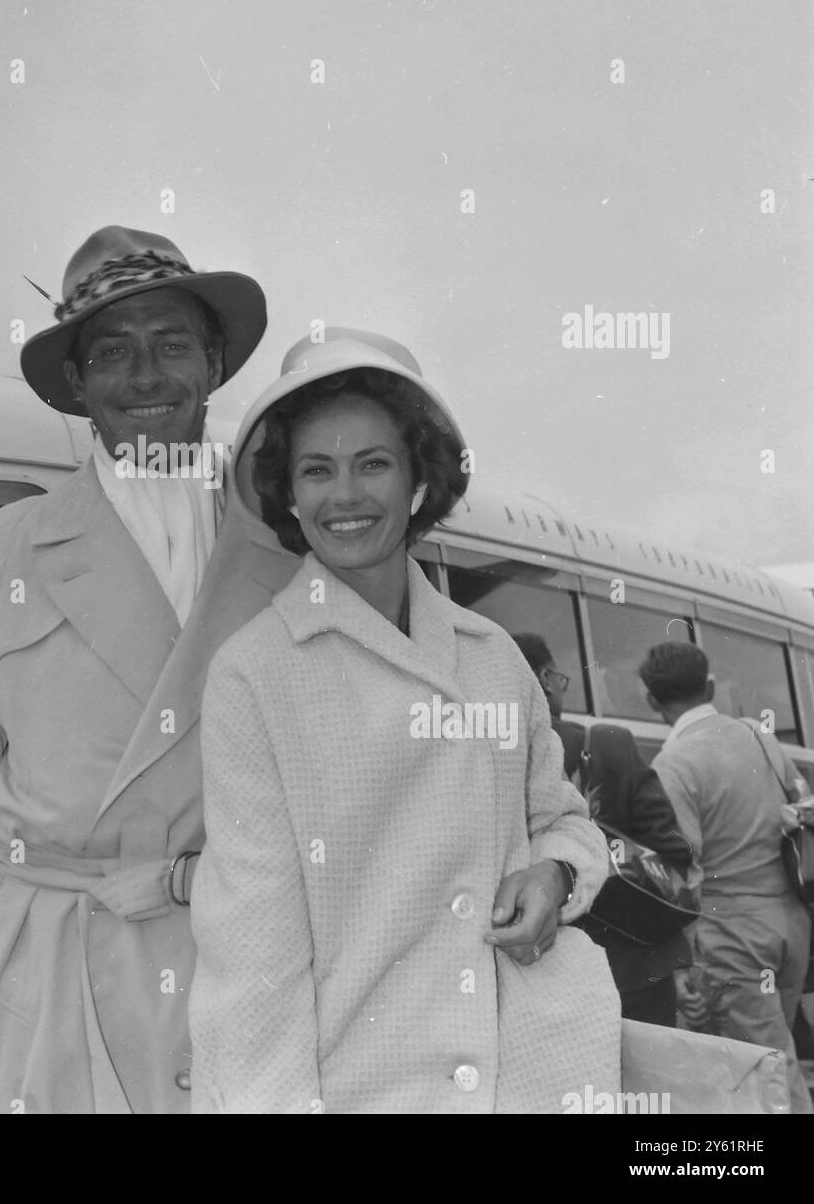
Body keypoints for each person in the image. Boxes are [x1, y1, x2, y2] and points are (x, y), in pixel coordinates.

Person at [0, 224, 299, 1113]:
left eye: (172, 344)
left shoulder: (291, 557)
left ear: (214, 363)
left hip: (252, 983)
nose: (144, 377)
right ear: (77, 384)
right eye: (112, 352)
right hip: (43, 1004)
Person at [188, 328, 620, 1113]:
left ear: (419, 478)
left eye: (372, 463)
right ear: (286, 494)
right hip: (362, 1080)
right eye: (316, 470)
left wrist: (552, 874)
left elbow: (564, 823)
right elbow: (254, 953)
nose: (344, 495)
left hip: (526, 1065)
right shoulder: (254, 674)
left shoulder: (492, 657)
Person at [643, 641, 813, 1113]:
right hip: (790, 926)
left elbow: (683, 869)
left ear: (652, 701)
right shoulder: (760, 736)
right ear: (710, 686)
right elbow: (801, 806)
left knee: (760, 1071)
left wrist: (687, 957)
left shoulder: (673, 764)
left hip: (734, 934)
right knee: (779, 1056)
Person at [513, 632, 694, 1026]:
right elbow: (674, 852)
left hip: (532, 971)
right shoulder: (610, 743)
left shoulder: (486, 750)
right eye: (561, 679)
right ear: (545, 679)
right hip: (633, 969)